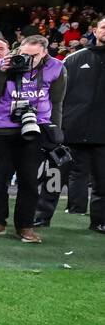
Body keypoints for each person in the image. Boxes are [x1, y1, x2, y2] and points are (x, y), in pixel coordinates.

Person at [0, 35, 66, 243]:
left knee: (29, 181)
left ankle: (25, 226)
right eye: (23, 54)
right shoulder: (3, 64)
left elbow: (57, 102)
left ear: (45, 52)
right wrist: (2, 72)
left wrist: (55, 132)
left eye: (33, 56)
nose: (27, 59)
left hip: (34, 129)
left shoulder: (57, 67)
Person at [40, 14, 105, 231]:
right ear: (95, 31)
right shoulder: (74, 59)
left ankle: (100, 222)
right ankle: (42, 216)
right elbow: (56, 95)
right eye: (103, 27)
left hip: (102, 133)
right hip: (69, 130)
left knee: (102, 181)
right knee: (55, 175)